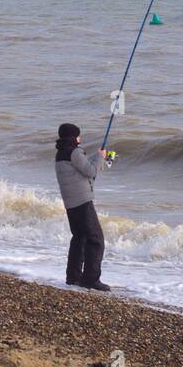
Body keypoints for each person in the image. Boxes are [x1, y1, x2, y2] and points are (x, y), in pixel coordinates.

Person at [54, 123, 110, 291]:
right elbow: (91, 171)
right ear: (73, 137)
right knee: (96, 239)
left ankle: (73, 277)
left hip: (70, 203)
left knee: (79, 238)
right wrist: (101, 157)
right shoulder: (75, 152)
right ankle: (91, 279)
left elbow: (82, 167)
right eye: (78, 136)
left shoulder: (61, 153)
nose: (80, 139)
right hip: (82, 202)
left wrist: (97, 157)